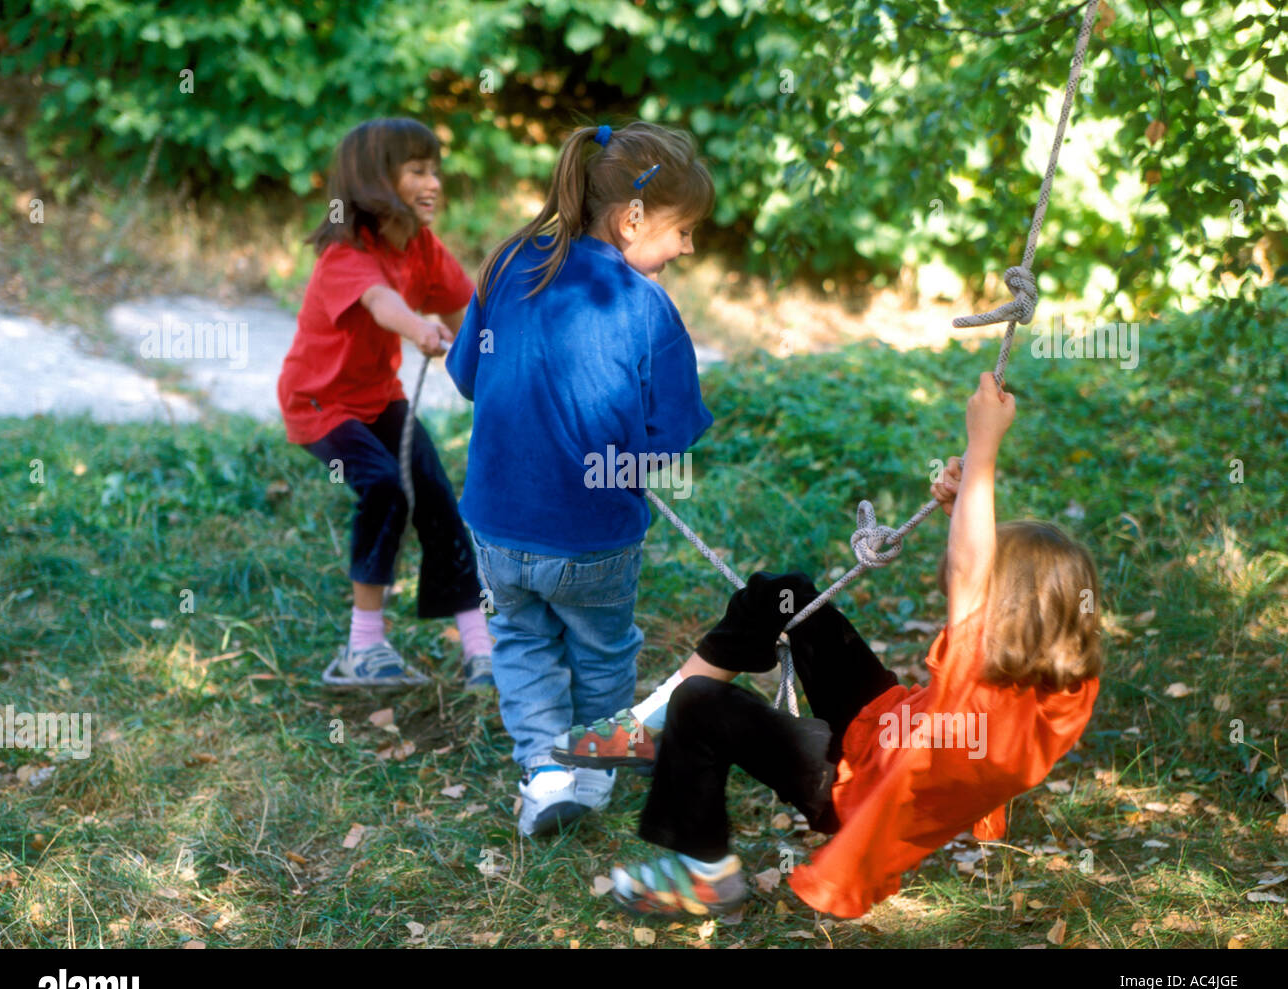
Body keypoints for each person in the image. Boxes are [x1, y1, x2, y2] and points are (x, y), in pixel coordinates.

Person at [562, 373, 1102, 917]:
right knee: (788, 596)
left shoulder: (979, 693)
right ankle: (643, 728)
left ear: (1005, 610)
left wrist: (982, 444)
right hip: (885, 723)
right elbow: (986, 572)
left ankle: (703, 874)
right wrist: (964, 506)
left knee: (700, 705)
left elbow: (970, 569)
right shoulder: (1067, 688)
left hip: (847, 786)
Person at [445, 121, 715, 836]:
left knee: (523, 642)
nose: (689, 247)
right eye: (684, 230)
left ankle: (544, 771)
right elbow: (671, 440)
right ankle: (590, 772)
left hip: (498, 526)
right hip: (593, 538)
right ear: (632, 218)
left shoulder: (507, 265)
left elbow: (469, 376)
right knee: (601, 646)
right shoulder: (646, 305)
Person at [276, 118, 493, 688]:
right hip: (319, 406)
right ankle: (362, 648)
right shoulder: (345, 253)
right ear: (376, 179)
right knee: (384, 485)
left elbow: (471, 320)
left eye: (436, 170)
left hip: (378, 401)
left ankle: (481, 650)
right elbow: (380, 302)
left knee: (440, 500)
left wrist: (515, 373)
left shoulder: (423, 248)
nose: (434, 183)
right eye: (418, 170)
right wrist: (417, 327)